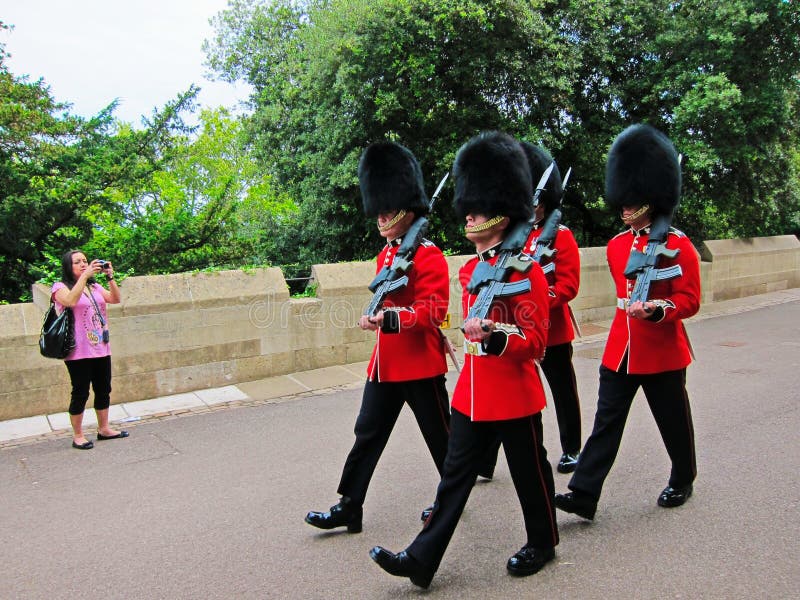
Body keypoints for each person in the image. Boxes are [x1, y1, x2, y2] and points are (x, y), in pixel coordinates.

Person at [370, 132, 559, 588]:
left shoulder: (527, 270)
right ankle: (421, 559)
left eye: (477, 207)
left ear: (501, 211)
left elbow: (536, 342)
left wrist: (496, 336)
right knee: (454, 480)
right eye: (468, 207)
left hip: (512, 392)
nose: (468, 214)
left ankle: (544, 541)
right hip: (472, 392)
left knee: (530, 471)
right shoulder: (473, 270)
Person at [555, 124, 700, 521]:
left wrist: (658, 310)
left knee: (672, 421)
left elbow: (689, 300)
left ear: (651, 199)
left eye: (631, 200)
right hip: (621, 347)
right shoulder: (619, 246)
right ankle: (584, 492)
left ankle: (683, 477)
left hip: (661, 350)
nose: (623, 206)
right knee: (606, 424)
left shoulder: (679, 246)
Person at [304, 141, 451, 533]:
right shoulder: (385, 256)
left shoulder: (430, 256)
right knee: (366, 434)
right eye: (380, 209)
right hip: (386, 367)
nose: (382, 215)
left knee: (442, 441)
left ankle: (452, 497)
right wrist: (375, 317)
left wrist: (390, 320)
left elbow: (434, 311)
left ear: (408, 209)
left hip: (420, 364)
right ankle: (350, 505)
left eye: (389, 209)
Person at [478, 142, 583, 479]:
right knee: (510, 390)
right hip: (515, 331)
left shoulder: (561, 236)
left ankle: (572, 448)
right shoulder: (515, 236)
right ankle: (490, 458)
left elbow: (568, 285)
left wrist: (536, 301)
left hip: (551, 329)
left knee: (562, 391)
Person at [52, 250, 126, 450]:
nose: (84, 264)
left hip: (101, 346)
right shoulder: (60, 287)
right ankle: (78, 435)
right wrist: (84, 277)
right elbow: (70, 301)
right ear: (69, 266)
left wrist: (110, 277)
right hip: (78, 351)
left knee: (104, 389)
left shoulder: (94, 286)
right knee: (80, 392)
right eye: (78, 262)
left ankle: (104, 429)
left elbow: (115, 298)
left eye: (85, 261)